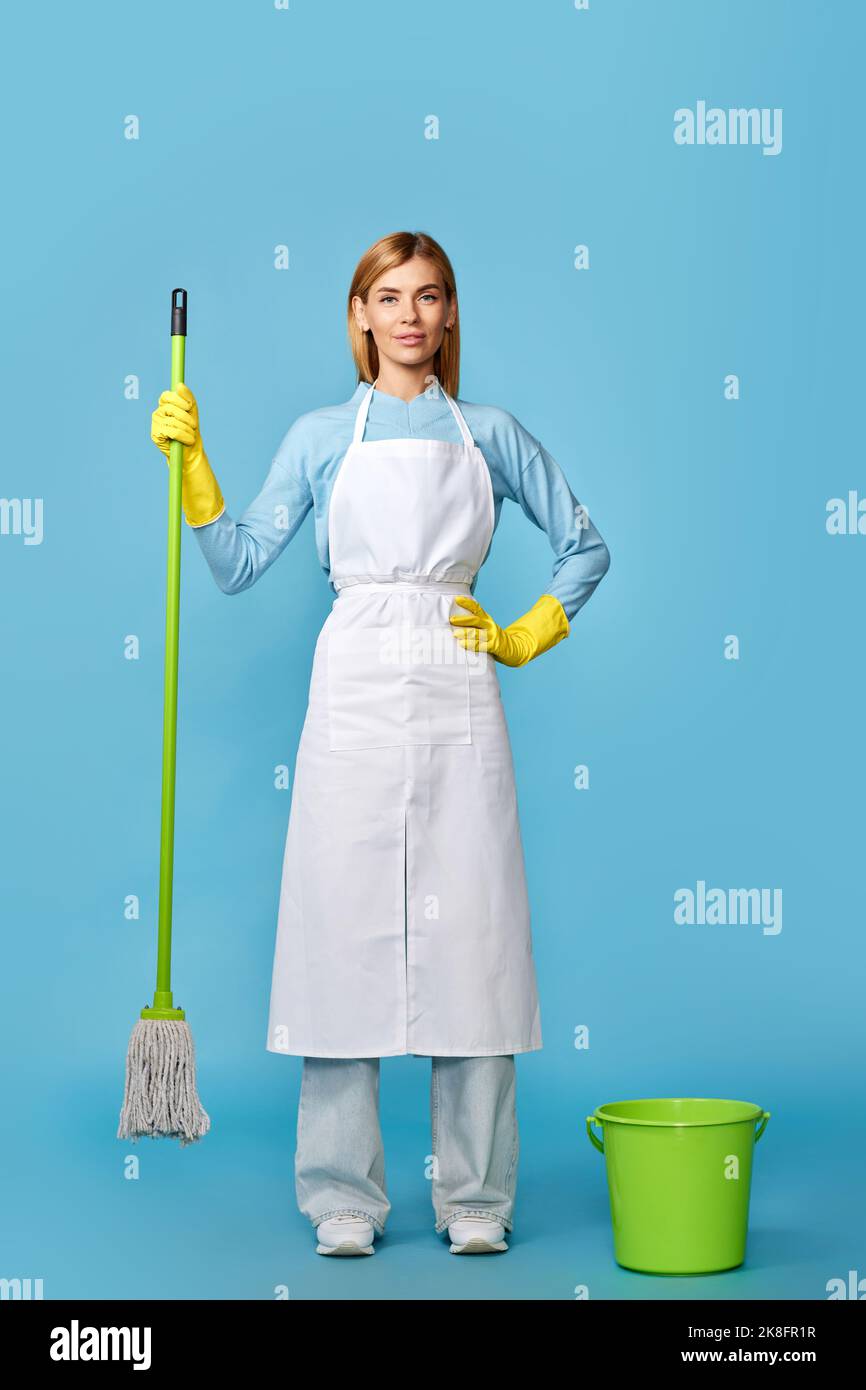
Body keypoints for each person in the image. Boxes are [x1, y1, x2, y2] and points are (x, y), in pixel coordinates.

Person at [150, 230, 610, 1257]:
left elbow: (585, 542)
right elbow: (234, 561)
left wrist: (524, 631)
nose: (408, 314)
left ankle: (474, 1196)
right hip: (351, 683)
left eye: (429, 296)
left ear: (449, 316)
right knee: (339, 934)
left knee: (475, 937)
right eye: (387, 295)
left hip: (456, 682)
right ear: (359, 314)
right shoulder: (321, 435)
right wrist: (195, 463)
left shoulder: (488, 432)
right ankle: (341, 1194)